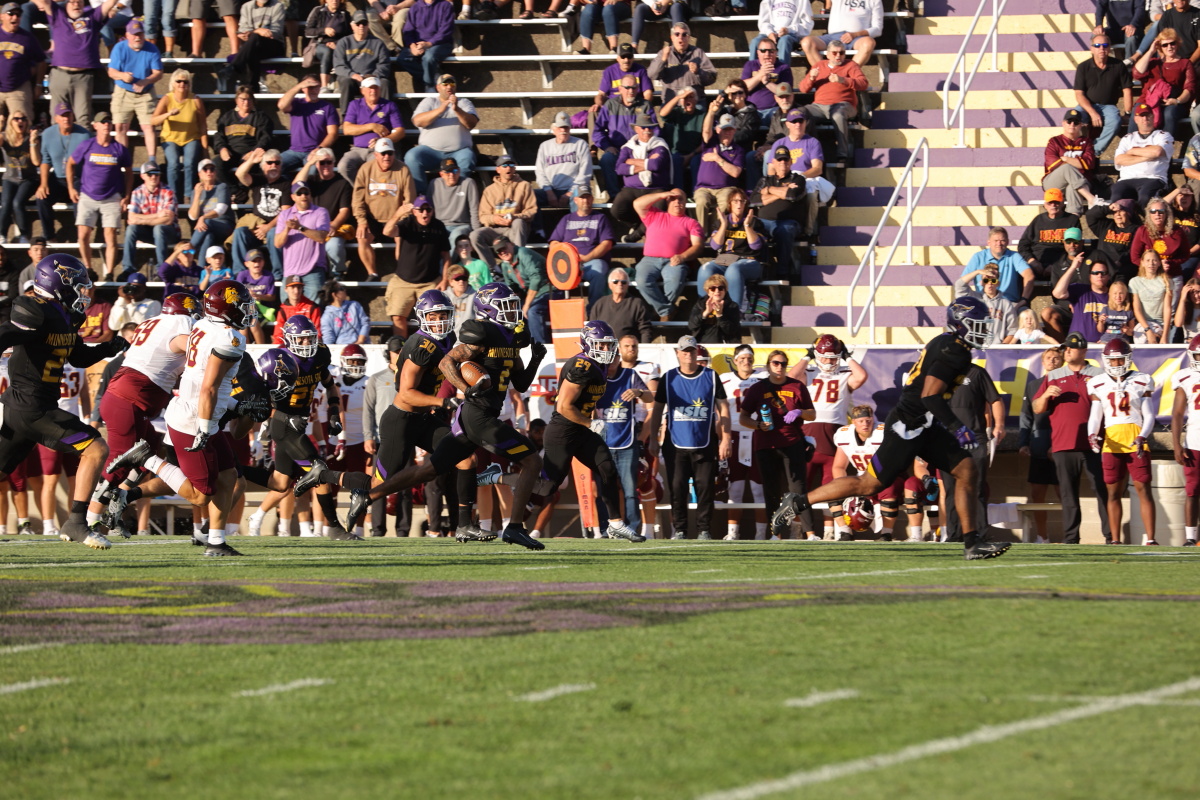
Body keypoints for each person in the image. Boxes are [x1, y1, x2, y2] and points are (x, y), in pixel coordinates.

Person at [772, 298, 1011, 561]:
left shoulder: (947, 342)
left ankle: (971, 542)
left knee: (967, 470)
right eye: (977, 324)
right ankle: (797, 502)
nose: (983, 330)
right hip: (909, 425)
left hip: (925, 422)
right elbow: (930, 396)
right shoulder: (954, 351)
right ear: (961, 323)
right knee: (869, 485)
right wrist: (957, 428)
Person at [342, 284, 550, 550]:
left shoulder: (512, 336)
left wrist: (534, 359)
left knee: (430, 470)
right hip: (478, 417)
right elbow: (445, 363)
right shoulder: (480, 331)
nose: (513, 310)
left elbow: (520, 383)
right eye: (506, 305)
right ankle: (515, 527)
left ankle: (369, 496)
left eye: (513, 304)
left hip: (475, 416)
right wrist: (463, 390)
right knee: (531, 460)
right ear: (488, 309)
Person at [0, 254, 126, 550]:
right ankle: (77, 523)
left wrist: (109, 347)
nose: (83, 292)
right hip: (34, 407)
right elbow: (6, 334)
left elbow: (78, 357)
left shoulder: (66, 315)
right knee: (96, 448)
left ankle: (76, 523)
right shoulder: (35, 308)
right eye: (78, 285)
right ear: (59, 283)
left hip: (27, 408)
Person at [502, 321, 644, 540]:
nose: (606, 350)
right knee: (547, 487)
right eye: (600, 345)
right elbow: (563, 406)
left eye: (608, 345)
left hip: (581, 429)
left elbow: (589, 400)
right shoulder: (581, 366)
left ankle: (615, 523)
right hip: (563, 430)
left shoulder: (601, 365)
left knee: (607, 468)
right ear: (588, 344)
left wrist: (592, 420)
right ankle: (498, 476)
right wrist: (591, 424)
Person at [88, 293, 199, 534]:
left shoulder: (155, 323)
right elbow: (195, 351)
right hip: (127, 399)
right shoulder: (178, 327)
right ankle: (87, 518)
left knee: (150, 444)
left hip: (126, 396)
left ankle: (120, 498)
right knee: (120, 459)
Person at [247, 315, 364, 541]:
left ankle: (235, 471)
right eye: (300, 340)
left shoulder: (319, 355)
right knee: (317, 470)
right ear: (289, 339)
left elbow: (330, 385)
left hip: (301, 422)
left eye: (309, 338)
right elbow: (258, 400)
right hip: (282, 423)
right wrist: (281, 416)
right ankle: (333, 527)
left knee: (280, 483)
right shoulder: (277, 360)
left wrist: (332, 410)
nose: (306, 344)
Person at [644, 334, 732, 540]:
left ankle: (704, 530)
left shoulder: (710, 376)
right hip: (675, 444)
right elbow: (657, 410)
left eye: (691, 351)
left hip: (705, 442)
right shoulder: (669, 377)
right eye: (684, 351)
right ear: (678, 354)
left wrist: (726, 438)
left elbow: (724, 408)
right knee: (677, 488)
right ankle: (680, 530)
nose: (688, 355)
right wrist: (655, 438)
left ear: (696, 352)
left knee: (705, 488)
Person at [1031, 331, 1111, 544]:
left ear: (1083, 350)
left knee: (1102, 491)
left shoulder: (1099, 374)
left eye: (1071, 348)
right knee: (1068, 496)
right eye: (1065, 348)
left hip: (1094, 444)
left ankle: (1110, 536)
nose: (1066, 351)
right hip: (1063, 444)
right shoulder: (1054, 375)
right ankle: (1071, 539)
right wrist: (1046, 395)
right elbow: (1037, 408)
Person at [791, 333, 867, 538]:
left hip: (835, 433)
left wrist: (848, 356)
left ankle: (834, 529)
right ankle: (800, 530)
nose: (828, 361)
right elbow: (790, 377)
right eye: (824, 357)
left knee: (832, 486)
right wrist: (806, 357)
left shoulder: (844, 372)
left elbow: (861, 376)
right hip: (808, 432)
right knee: (801, 486)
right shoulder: (808, 371)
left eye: (833, 357)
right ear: (816, 355)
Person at [1087, 338, 1157, 544]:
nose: (1116, 364)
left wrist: (1142, 435)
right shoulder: (1097, 382)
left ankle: (1151, 539)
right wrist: (1091, 434)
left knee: (1143, 489)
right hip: (1112, 442)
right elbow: (1095, 415)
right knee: (1113, 492)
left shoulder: (1142, 379)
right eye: (1112, 360)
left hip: (1136, 438)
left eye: (1120, 360)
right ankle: (1115, 540)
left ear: (1128, 359)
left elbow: (1149, 414)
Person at [594, 333, 655, 536]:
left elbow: (649, 396)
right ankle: (606, 527)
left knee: (630, 491)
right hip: (603, 444)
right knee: (604, 490)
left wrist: (638, 393)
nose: (611, 362)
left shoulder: (630, 375)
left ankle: (632, 527)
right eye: (608, 358)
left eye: (614, 357)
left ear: (619, 358)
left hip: (626, 442)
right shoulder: (596, 379)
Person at [66, 112, 133, 279]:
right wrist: (71, 188)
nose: (106, 125)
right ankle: (88, 268)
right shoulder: (87, 145)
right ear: (95, 125)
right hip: (88, 195)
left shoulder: (119, 149)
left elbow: (130, 172)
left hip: (111, 197)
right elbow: (70, 164)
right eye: (102, 122)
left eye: (108, 122)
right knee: (82, 234)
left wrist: (127, 195)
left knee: (110, 235)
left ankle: (109, 272)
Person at [35, 0, 122, 127]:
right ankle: (59, 146)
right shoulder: (58, 14)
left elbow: (110, 3)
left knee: (83, 119)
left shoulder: (93, 16)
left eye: (79, 1)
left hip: (83, 78)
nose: (76, 4)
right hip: (60, 75)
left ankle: (82, 147)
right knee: (57, 120)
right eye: (72, 1)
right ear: (66, 3)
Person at [632, 187, 703, 320]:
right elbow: (637, 204)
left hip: (675, 261)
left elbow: (698, 246)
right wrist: (663, 194)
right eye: (673, 199)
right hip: (649, 260)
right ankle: (666, 311)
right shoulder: (655, 215)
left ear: (686, 202)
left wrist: (682, 256)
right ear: (667, 201)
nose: (677, 202)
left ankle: (661, 311)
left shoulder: (692, 223)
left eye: (680, 199)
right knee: (642, 281)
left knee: (675, 281)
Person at [352, 138, 417, 280]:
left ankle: (402, 272)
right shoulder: (365, 169)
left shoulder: (403, 169)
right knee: (361, 237)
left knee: (402, 238)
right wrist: (361, 221)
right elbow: (357, 199)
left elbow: (409, 200)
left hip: (396, 218)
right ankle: (372, 273)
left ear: (394, 154)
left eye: (389, 153)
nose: (386, 157)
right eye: (383, 153)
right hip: (372, 219)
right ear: (376, 154)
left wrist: (402, 219)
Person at [385, 193, 449, 336]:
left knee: (434, 317)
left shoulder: (439, 226)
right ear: (414, 211)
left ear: (432, 211)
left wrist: (445, 279)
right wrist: (398, 213)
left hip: (430, 282)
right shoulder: (407, 223)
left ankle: (432, 348)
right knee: (397, 316)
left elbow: (446, 255)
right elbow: (387, 231)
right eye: (421, 210)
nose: (425, 213)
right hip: (403, 280)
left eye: (428, 210)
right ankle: (401, 351)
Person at [404, 74, 479, 194]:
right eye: (445, 84)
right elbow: (418, 121)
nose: (449, 87)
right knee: (412, 157)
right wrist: (441, 109)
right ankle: (422, 198)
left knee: (468, 158)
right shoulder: (429, 102)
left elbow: (471, 124)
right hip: (430, 151)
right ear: (438, 87)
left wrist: (456, 109)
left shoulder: (464, 102)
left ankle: (456, 194)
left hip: (458, 152)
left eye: (452, 84)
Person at [1018, 346, 1064, 543]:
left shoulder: (1067, 383)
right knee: (1038, 495)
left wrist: (1059, 443)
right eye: (1049, 358)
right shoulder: (1033, 385)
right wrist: (1023, 442)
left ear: (1062, 362)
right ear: (1043, 362)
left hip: (1062, 445)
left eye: (1056, 358)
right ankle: (1042, 536)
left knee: (1065, 494)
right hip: (1038, 445)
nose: (1053, 361)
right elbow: (1026, 416)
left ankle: (1070, 535)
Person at [696, 188, 765, 311]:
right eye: (735, 201)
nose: (739, 204)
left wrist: (747, 226)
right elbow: (715, 246)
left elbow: (756, 246)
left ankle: (734, 313)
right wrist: (723, 225)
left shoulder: (753, 221)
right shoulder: (722, 221)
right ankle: (704, 310)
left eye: (742, 201)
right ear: (729, 204)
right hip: (725, 261)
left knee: (734, 269)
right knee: (705, 268)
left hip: (749, 261)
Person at [361, 335, 403, 536]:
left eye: (403, 351)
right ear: (389, 354)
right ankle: (377, 529)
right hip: (382, 440)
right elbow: (367, 410)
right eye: (397, 351)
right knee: (378, 485)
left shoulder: (412, 376)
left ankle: (403, 530)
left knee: (405, 484)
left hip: (406, 437)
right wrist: (368, 436)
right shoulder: (377, 378)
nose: (400, 355)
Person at [798, 39, 867, 163]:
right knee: (799, 112)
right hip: (819, 106)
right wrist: (811, 78)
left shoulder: (851, 65)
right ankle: (805, 149)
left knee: (838, 115)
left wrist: (843, 80)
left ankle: (843, 155)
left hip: (844, 105)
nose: (838, 56)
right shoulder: (819, 66)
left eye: (841, 53)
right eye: (834, 53)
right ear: (827, 54)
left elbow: (863, 84)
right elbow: (803, 89)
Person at [549, 186, 614, 311]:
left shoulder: (600, 218)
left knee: (599, 270)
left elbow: (607, 243)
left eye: (588, 197)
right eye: (582, 198)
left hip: (592, 261)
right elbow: (554, 243)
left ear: (592, 199)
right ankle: (562, 313)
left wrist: (585, 258)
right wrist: (569, 258)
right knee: (553, 270)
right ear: (575, 200)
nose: (585, 201)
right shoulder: (566, 219)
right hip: (569, 263)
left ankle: (594, 311)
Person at [294, 148, 355, 278]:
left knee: (334, 246)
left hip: (332, 228)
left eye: (329, 162)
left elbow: (344, 211)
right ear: (317, 164)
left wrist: (333, 225)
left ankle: (337, 273)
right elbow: (296, 186)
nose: (326, 166)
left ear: (334, 163)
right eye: (322, 163)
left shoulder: (342, 183)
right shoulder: (311, 181)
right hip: (310, 228)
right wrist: (309, 163)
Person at [611, 113, 673, 238]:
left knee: (659, 208)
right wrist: (647, 163)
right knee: (617, 209)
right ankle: (637, 225)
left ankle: (637, 234)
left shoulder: (660, 146)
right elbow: (619, 168)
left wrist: (631, 161)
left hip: (655, 188)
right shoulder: (628, 147)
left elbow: (656, 165)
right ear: (636, 129)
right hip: (631, 189)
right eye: (643, 127)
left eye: (650, 127)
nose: (647, 130)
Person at [593, 75, 655, 200]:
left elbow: (655, 130)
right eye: (627, 88)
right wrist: (607, 146)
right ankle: (615, 196)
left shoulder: (645, 106)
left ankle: (641, 194)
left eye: (633, 87)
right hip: (616, 149)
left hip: (639, 151)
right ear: (620, 89)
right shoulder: (610, 105)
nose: (630, 91)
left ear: (638, 89)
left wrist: (646, 147)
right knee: (606, 159)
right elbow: (597, 131)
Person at [470, 154, 537, 267]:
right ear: (498, 169)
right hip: (495, 230)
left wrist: (515, 217)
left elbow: (531, 211)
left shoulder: (524, 186)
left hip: (514, 229)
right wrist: (494, 218)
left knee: (519, 222)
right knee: (474, 235)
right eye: (504, 165)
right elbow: (483, 216)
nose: (508, 168)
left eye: (511, 165)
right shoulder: (489, 190)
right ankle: (493, 268)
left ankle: (518, 263)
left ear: (515, 168)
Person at [234, 149, 290, 281]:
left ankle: (278, 275)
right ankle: (240, 274)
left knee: (273, 233)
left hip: (274, 228)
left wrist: (268, 227)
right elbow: (239, 174)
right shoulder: (258, 180)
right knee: (239, 232)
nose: (273, 166)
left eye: (277, 163)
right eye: (269, 163)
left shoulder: (286, 184)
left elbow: (285, 211)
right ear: (263, 165)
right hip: (256, 227)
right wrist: (252, 159)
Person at [338, 75, 405, 184]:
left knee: (374, 169)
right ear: (362, 90)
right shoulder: (355, 105)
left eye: (376, 88)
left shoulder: (389, 105)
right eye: (369, 88)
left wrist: (383, 142)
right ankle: (361, 190)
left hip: (379, 151)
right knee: (343, 166)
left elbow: (400, 131)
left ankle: (369, 193)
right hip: (357, 150)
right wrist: (371, 126)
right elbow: (347, 129)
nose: (373, 91)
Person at [36, 104, 88, 241]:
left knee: (80, 199)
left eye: (68, 115)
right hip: (58, 178)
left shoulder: (84, 135)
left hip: (78, 178)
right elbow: (45, 161)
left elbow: (89, 163)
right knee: (41, 198)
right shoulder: (48, 134)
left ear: (73, 116)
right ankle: (49, 236)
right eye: (63, 116)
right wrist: (43, 183)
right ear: (56, 118)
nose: (66, 119)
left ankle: (81, 237)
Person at [1074, 32, 1132, 156]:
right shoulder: (1083, 67)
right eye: (1097, 45)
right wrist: (1092, 112)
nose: (1101, 48)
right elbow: (1079, 94)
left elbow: (1127, 90)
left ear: (1109, 47)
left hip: (1108, 106)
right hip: (1087, 106)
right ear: (1091, 49)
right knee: (1073, 118)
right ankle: (1075, 150)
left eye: (1105, 45)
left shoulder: (1118, 65)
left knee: (1115, 121)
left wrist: (1127, 113)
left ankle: (1093, 151)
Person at [751, 145, 806, 276]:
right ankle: (757, 268)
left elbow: (792, 195)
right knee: (751, 226)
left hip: (788, 222)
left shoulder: (798, 179)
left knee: (784, 230)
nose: (783, 163)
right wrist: (782, 192)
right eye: (779, 160)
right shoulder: (765, 180)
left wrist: (769, 191)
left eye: (786, 160)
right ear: (773, 162)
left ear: (791, 162)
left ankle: (783, 271)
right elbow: (754, 200)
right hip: (763, 221)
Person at [274, 181, 332, 302]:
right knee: (288, 313)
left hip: (313, 271)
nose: (303, 196)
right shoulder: (285, 214)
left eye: (306, 192)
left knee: (314, 312)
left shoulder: (320, 212)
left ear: (310, 194)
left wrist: (300, 228)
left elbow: (321, 237)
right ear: (292, 197)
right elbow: (277, 243)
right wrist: (287, 229)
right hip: (290, 271)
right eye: (299, 193)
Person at [693, 111, 744, 235]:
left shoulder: (738, 150)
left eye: (730, 129)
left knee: (725, 203)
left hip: (726, 188)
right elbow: (705, 131)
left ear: (734, 130)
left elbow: (736, 172)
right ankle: (701, 235)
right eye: (724, 129)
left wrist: (718, 159)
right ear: (717, 129)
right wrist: (711, 112)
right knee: (701, 202)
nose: (727, 132)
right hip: (704, 188)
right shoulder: (710, 143)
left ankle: (716, 233)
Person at [123, 161, 179, 274]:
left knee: (159, 228)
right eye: (150, 174)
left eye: (156, 173)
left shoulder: (168, 192)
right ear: (142, 176)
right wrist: (157, 216)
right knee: (131, 229)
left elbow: (168, 220)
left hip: (169, 232)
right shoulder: (137, 192)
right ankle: (127, 269)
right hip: (149, 232)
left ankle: (162, 270)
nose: (154, 176)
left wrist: (142, 219)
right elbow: (132, 218)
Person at [1111, 102, 1172, 207]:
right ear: (1135, 119)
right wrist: (1147, 156)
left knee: (1145, 197)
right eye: (1142, 116)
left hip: (1153, 178)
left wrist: (1132, 152)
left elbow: (1157, 152)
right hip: (1127, 179)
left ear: (1153, 117)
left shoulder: (1163, 135)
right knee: (1117, 199)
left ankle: (1145, 223)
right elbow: (1119, 160)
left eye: (1148, 115)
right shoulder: (1127, 138)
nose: (1145, 118)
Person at [492, 237, 551, 344]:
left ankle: (540, 346)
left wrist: (526, 304)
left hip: (548, 289)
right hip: (530, 294)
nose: (503, 252)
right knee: (508, 312)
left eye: (504, 248)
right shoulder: (505, 264)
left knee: (532, 311)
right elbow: (512, 286)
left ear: (511, 244)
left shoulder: (523, 253)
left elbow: (536, 279)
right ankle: (517, 344)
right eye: (499, 251)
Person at [278, 75, 341, 174]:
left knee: (312, 174)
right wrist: (298, 86)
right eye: (310, 87)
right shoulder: (296, 103)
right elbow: (281, 105)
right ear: (303, 88)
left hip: (316, 151)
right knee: (273, 166)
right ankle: (287, 189)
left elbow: (333, 133)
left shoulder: (328, 107)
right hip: (294, 151)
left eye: (316, 87)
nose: (313, 90)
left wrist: (318, 149)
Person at [1170, 335, 1200, 546]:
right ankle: (1191, 537)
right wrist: (1176, 444)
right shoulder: (1185, 377)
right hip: (1195, 440)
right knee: (1193, 490)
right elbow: (1177, 413)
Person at [212, 88, 274, 188]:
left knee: (250, 168)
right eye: (243, 99)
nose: (246, 102)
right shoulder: (227, 117)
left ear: (253, 101)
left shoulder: (261, 117)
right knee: (215, 165)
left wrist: (254, 152)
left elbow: (265, 137)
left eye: (249, 99)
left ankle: (241, 192)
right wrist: (222, 148)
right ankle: (234, 191)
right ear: (236, 100)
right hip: (231, 154)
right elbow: (219, 135)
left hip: (250, 154)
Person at [332, 10, 392, 113]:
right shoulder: (343, 42)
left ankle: (385, 115)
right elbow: (339, 66)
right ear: (352, 25)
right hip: (352, 79)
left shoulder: (378, 43)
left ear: (368, 25)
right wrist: (353, 75)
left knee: (385, 83)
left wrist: (373, 77)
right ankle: (346, 117)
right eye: (358, 23)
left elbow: (384, 64)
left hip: (372, 79)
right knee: (346, 82)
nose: (361, 26)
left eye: (364, 23)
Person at [221, 0, 286, 94]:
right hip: (253, 45)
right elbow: (243, 28)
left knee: (254, 41)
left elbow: (277, 31)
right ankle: (253, 89)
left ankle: (234, 66)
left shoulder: (278, 6)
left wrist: (254, 32)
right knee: (253, 49)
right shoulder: (246, 6)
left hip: (274, 45)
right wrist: (249, 33)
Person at [1043, 109, 1101, 216]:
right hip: (1054, 183)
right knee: (1067, 168)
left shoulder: (1086, 142)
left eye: (1076, 122)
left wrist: (1066, 159)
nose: (1072, 124)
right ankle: (1091, 198)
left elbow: (1089, 163)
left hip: (1079, 183)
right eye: (1069, 121)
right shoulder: (1054, 141)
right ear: (1063, 123)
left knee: (1072, 187)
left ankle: (1073, 220)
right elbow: (1052, 164)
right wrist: (1076, 163)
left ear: (1081, 125)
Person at [960, 227, 1035, 306]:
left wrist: (1024, 300)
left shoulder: (1014, 256)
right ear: (989, 243)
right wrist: (977, 272)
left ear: (1007, 242)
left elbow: (1029, 275)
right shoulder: (978, 257)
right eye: (995, 241)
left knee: (1027, 315)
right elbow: (962, 282)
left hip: (1009, 303)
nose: (999, 244)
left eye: (1002, 240)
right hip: (984, 303)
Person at [1018, 188, 1081, 281]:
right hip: (1036, 262)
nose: (1053, 205)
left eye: (1057, 202)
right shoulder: (1038, 220)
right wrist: (1032, 261)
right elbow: (1023, 245)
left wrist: (1056, 266)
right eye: (1050, 203)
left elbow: (1076, 247)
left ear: (1063, 203)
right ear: (1045, 205)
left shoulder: (1072, 220)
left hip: (1061, 264)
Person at [646, 22, 716, 102]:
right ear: (671, 37)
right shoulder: (664, 53)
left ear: (688, 37)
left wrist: (698, 72)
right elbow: (651, 75)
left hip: (694, 104)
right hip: (671, 103)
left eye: (684, 34)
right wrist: (663, 60)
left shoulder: (698, 53)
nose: (681, 37)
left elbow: (712, 78)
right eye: (677, 34)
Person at [534, 111, 592, 209]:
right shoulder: (545, 146)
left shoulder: (580, 144)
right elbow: (540, 172)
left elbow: (585, 173)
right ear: (553, 129)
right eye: (560, 127)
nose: (563, 130)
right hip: (551, 190)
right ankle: (538, 225)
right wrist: (549, 192)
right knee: (528, 196)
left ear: (570, 128)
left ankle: (577, 223)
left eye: (566, 127)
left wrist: (569, 193)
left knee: (580, 196)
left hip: (575, 189)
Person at [394, 0, 454, 93]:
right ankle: (435, 78)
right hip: (419, 45)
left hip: (441, 44)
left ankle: (429, 85)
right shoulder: (415, 7)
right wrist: (412, 45)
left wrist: (429, 43)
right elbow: (408, 30)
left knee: (429, 58)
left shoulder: (445, 5)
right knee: (402, 59)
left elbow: (446, 30)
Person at [953, 263, 1020, 345]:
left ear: (998, 283)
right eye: (986, 280)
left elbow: (1012, 330)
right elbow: (959, 285)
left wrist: (1001, 347)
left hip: (997, 348)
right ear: (981, 283)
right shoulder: (974, 298)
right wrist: (977, 272)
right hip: (976, 347)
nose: (990, 283)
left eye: (993, 280)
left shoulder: (1006, 304)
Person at [800, 0, 881, 68]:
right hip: (832, 37)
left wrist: (855, 34)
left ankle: (848, 74)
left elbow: (877, 29)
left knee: (869, 43)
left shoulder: (875, 1)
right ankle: (825, 75)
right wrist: (828, 4)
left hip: (857, 38)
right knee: (807, 42)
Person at [0, 3, 44, 121]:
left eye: (18, 14)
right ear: (1, 16)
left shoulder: (28, 38)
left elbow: (41, 61)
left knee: (22, 125)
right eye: (11, 14)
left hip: (19, 88)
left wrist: (38, 85)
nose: (15, 17)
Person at [1131, 197, 1188, 286]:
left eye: (1161, 211)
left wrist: (1170, 263)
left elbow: (1185, 254)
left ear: (1166, 213)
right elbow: (1135, 257)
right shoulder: (1142, 231)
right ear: (1149, 214)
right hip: (1149, 276)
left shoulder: (1177, 231)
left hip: (1172, 276)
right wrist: (1153, 266)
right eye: (1153, 211)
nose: (1157, 214)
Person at [658, 86, 706, 192]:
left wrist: (691, 155)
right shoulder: (677, 113)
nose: (688, 100)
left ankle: (696, 193)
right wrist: (679, 97)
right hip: (678, 153)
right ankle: (678, 194)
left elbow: (706, 141)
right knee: (675, 160)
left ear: (696, 100)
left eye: (691, 97)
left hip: (697, 152)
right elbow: (662, 114)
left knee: (695, 162)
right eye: (685, 98)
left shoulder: (702, 116)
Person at [0, 110, 37, 244]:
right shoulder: (5, 137)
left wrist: (33, 143)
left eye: (23, 118)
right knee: (5, 204)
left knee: (17, 203)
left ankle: (24, 235)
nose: (20, 121)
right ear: (11, 122)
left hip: (28, 179)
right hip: (10, 178)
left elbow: (37, 162)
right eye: (16, 119)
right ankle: (2, 234)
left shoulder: (30, 137)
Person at [188, 158, 236, 260]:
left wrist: (203, 218)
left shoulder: (222, 187)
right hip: (206, 228)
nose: (209, 171)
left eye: (212, 169)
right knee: (207, 237)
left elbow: (221, 209)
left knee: (207, 222)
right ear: (199, 174)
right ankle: (202, 270)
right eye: (205, 169)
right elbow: (192, 216)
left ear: (215, 172)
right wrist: (197, 195)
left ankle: (188, 250)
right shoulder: (195, 191)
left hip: (225, 226)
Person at [590, 266, 653, 342]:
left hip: (628, 350)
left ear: (628, 285)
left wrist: (644, 349)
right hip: (605, 349)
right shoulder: (600, 304)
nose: (620, 284)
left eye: (623, 282)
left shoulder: (637, 304)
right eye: (615, 281)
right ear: (609, 284)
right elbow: (592, 329)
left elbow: (645, 330)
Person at [428, 158, 479, 250]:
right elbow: (429, 208)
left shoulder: (468, 183)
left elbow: (474, 210)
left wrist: (476, 232)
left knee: (455, 236)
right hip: (440, 225)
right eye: (448, 172)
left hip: (462, 225)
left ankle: (445, 264)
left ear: (459, 171)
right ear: (441, 174)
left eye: (455, 170)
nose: (452, 175)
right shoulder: (434, 184)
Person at [1084, 198, 1139, 280]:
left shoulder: (1136, 230)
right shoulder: (1106, 225)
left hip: (1121, 271)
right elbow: (1090, 215)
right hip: (1101, 271)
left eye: (1121, 211)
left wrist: (1118, 262)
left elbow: (1133, 251)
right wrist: (1108, 208)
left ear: (1129, 213)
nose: (1118, 214)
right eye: (1115, 212)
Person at [305, 0, 351, 92]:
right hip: (319, 44)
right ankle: (324, 85)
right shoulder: (318, 11)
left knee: (342, 51)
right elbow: (308, 32)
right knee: (327, 51)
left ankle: (340, 85)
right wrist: (324, 30)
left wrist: (338, 44)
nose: (334, 1)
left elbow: (349, 35)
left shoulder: (345, 14)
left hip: (338, 45)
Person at [742, 39, 790, 125]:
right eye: (763, 51)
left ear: (776, 52)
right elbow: (742, 89)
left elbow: (785, 93)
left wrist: (767, 82)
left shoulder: (783, 68)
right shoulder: (750, 65)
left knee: (784, 118)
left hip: (773, 110)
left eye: (771, 51)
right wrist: (760, 75)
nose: (767, 54)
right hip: (751, 110)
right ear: (758, 53)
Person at [1129, 249, 1172, 343]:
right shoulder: (1135, 282)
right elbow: (1137, 309)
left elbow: (1167, 309)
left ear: (1159, 263)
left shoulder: (1166, 281)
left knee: (1156, 341)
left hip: (1160, 323)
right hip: (1142, 323)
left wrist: (1165, 335)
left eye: (1154, 260)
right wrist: (1148, 330)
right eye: (1148, 260)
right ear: (1142, 263)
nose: (1151, 263)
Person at [751, 0, 813, 66]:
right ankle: (753, 73)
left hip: (791, 35)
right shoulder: (767, 1)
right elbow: (763, 22)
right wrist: (770, 33)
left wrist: (789, 30)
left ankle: (783, 74)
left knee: (784, 40)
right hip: (768, 33)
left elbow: (807, 25)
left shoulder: (803, 1)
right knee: (755, 42)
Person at [274, 277, 322, 342]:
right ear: (286, 289)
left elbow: (317, 333)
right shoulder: (283, 310)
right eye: (293, 287)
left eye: (299, 287)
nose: (296, 291)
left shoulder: (312, 307)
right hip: (289, 346)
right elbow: (278, 336)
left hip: (308, 345)